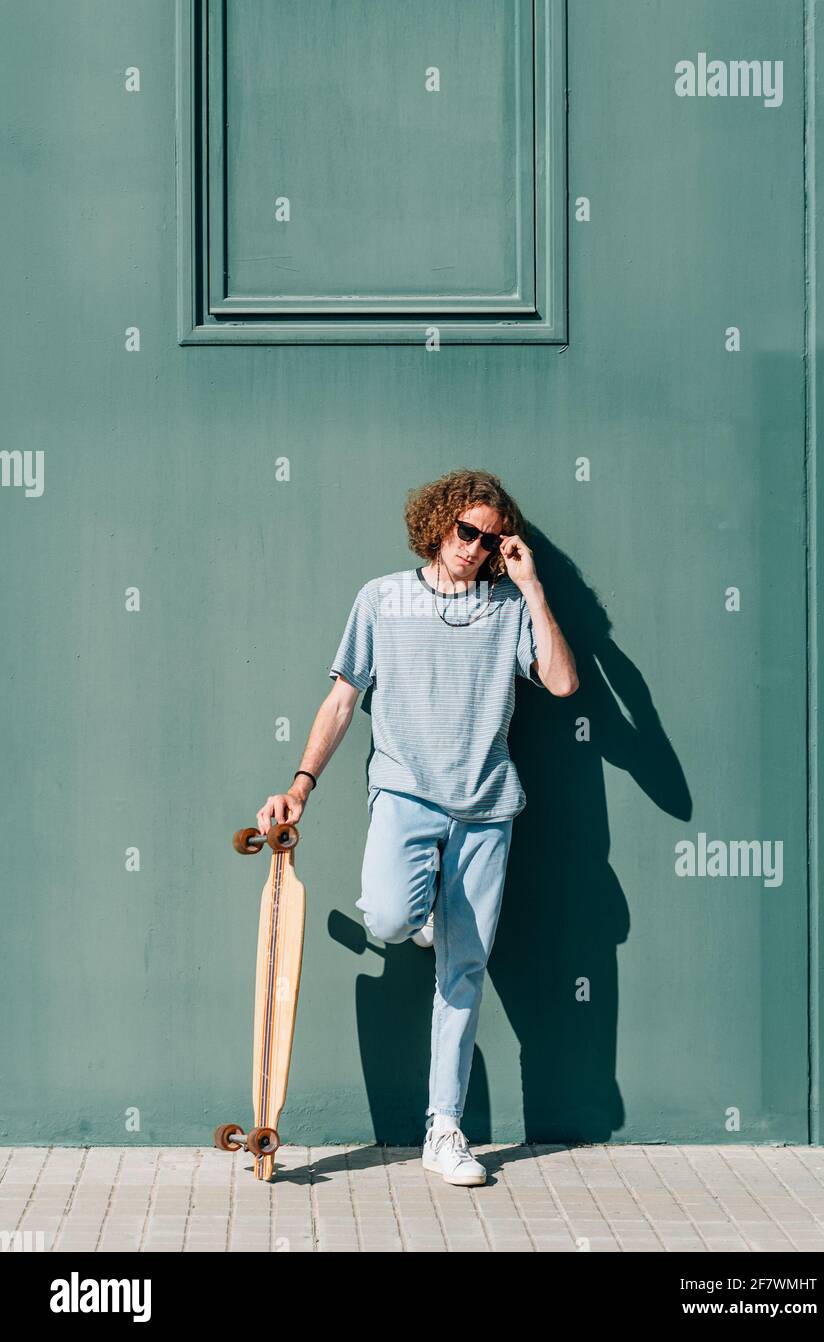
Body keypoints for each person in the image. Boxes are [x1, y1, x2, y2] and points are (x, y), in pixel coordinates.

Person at [257, 468, 579, 1185]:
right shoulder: (382, 600)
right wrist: (300, 785)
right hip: (405, 794)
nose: (474, 547)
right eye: (466, 530)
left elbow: (560, 683)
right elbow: (342, 700)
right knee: (393, 916)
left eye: (491, 539)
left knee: (462, 970)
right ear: (437, 524)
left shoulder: (507, 606)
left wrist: (530, 587)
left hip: (487, 807)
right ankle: (425, 916)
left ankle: (444, 1131)